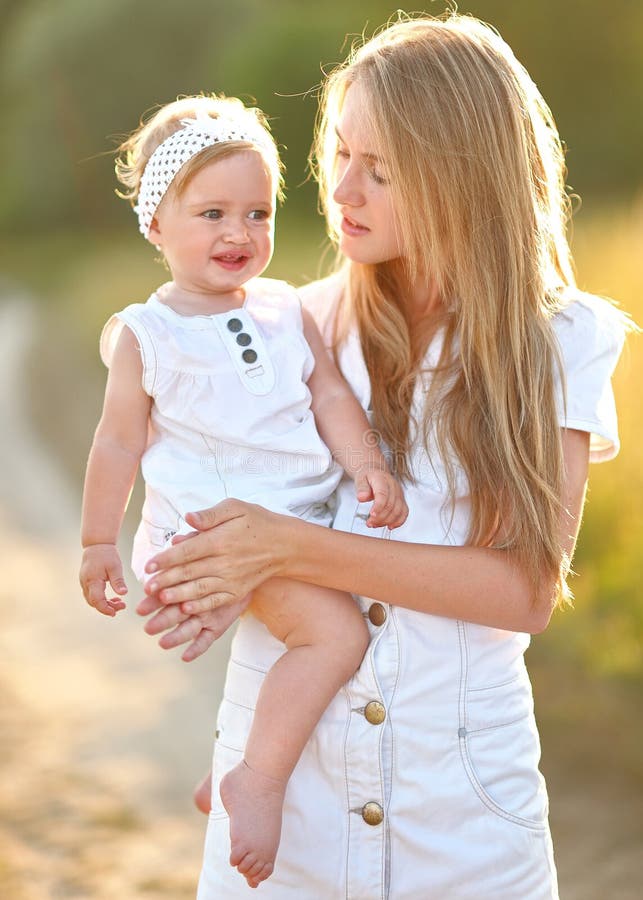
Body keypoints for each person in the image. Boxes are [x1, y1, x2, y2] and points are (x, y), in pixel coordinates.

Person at [138, 12, 632, 900]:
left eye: (381, 169)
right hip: (285, 799)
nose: (344, 191)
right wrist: (197, 571)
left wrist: (287, 547)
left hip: (465, 811)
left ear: (462, 175)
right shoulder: (285, 326)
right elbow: (187, 472)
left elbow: (522, 592)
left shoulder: (560, 340)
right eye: (338, 157)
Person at [78, 93, 408, 889]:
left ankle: (233, 758)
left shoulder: (285, 307)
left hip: (297, 517)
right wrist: (97, 541)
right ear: (156, 223)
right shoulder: (147, 335)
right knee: (334, 639)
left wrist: (365, 463)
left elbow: (330, 395)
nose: (239, 233)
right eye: (212, 213)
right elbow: (118, 441)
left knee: (308, 640)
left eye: (257, 213)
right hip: (214, 532)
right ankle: (253, 781)